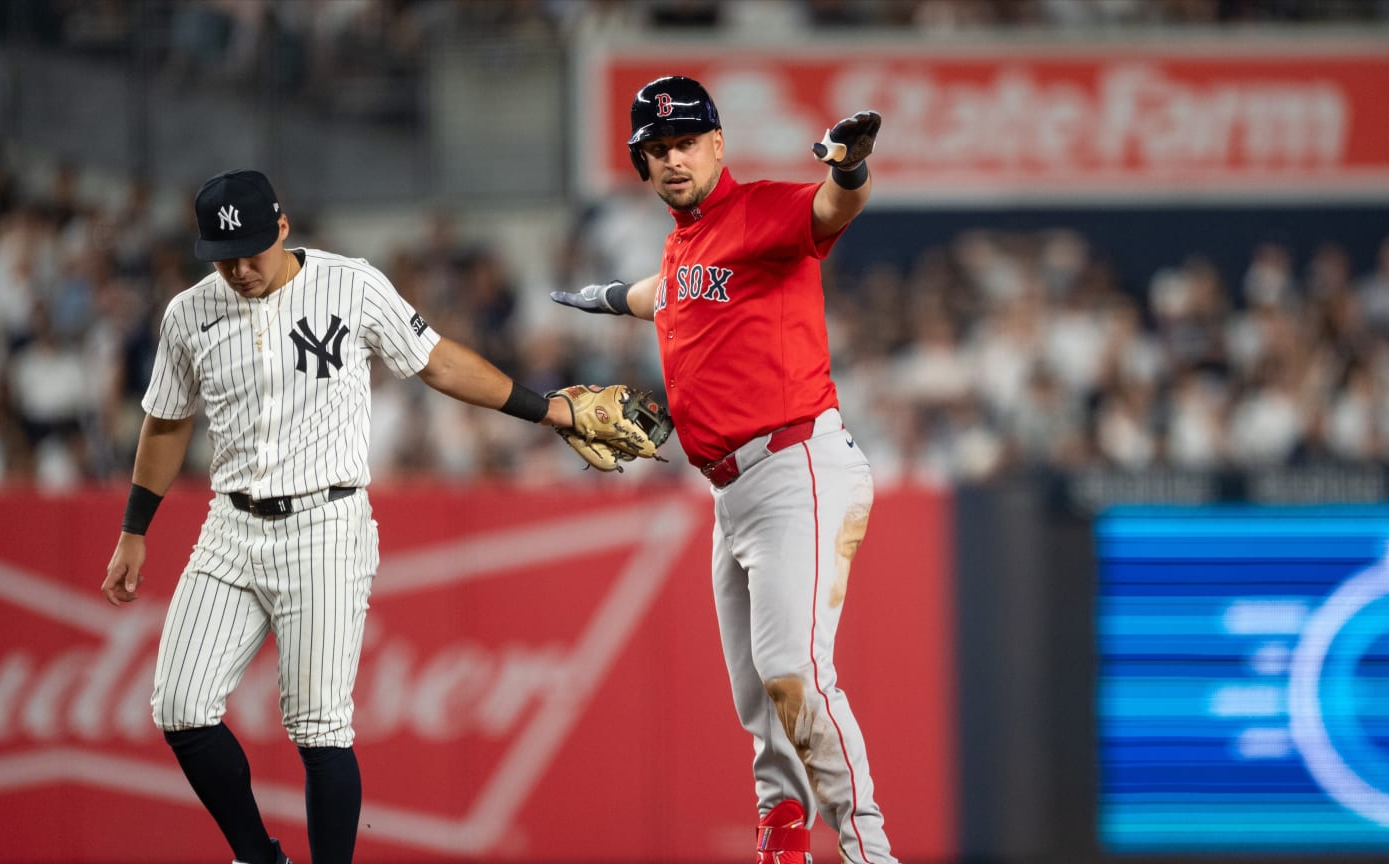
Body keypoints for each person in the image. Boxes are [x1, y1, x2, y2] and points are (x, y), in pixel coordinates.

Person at [100, 169, 578, 864]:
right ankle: (257, 856)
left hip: (325, 524)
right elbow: (166, 423)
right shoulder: (189, 314)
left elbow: (437, 363)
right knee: (178, 704)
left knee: (319, 727)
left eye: (252, 252)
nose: (238, 268)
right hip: (230, 528)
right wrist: (134, 530)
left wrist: (547, 409)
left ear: (282, 228)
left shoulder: (350, 284)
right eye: (223, 256)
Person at [552, 76, 897, 864]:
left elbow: (830, 210)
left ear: (716, 144)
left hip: (795, 466)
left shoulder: (762, 210)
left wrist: (848, 171)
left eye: (684, 142)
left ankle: (868, 850)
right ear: (642, 164)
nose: (672, 159)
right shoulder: (685, 245)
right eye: (656, 149)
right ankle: (783, 843)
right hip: (734, 490)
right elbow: (661, 293)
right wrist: (605, 298)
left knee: (794, 673)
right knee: (759, 698)